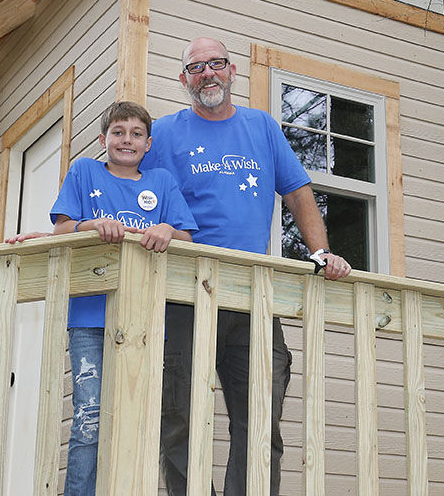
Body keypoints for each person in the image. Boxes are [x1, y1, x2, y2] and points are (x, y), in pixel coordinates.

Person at [142, 37, 351, 496]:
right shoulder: (163, 134)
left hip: (253, 295)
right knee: (178, 415)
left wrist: (319, 253)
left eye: (216, 64)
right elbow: (122, 184)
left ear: (232, 71)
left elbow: (297, 193)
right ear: (183, 81)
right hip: (184, 291)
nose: (208, 73)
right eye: (196, 68)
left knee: (260, 415)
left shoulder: (262, 128)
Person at [49, 101, 198, 495]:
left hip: (147, 321)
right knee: (89, 418)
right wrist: (90, 225)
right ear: (103, 140)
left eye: (135, 134)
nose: (126, 140)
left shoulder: (162, 182)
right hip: (90, 318)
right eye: (118, 132)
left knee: (142, 418)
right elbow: (61, 231)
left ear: (148, 144)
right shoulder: (85, 171)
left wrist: (166, 227)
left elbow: (186, 238)